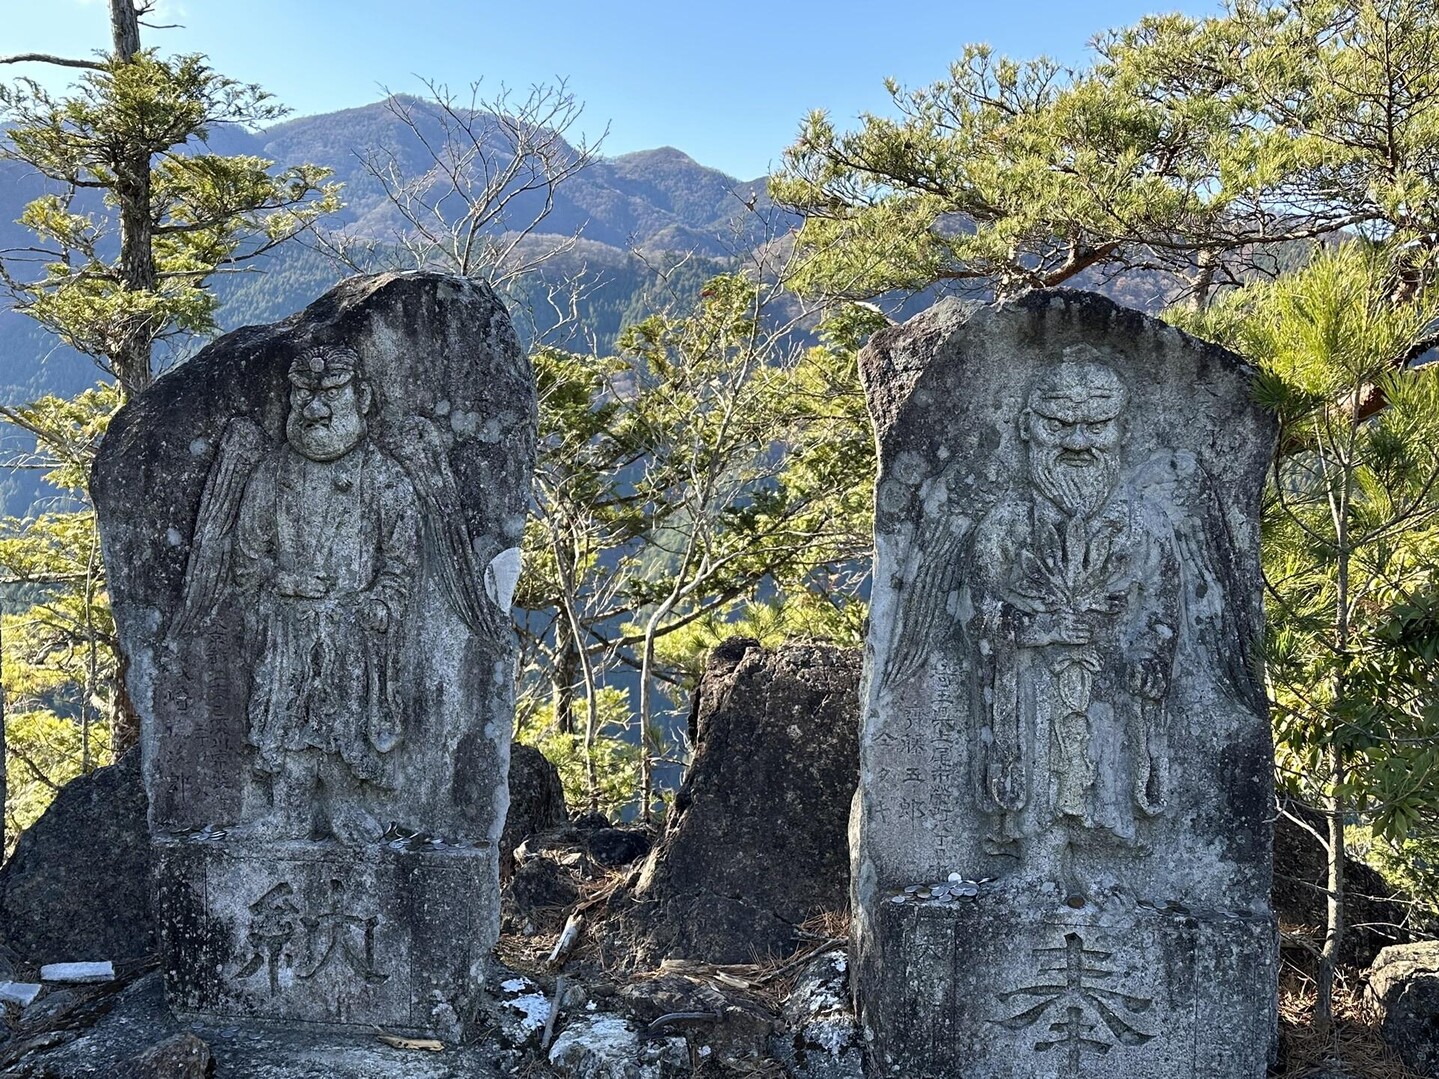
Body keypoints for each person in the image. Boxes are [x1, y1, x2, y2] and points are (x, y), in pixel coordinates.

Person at [964, 350, 1180, 864]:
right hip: (1030, 689)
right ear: (1026, 427)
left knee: (1108, 792)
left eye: (1096, 427)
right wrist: (1036, 626)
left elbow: (1164, 613)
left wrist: (1153, 658)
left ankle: (1108, 867)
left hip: (1112, 687)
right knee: (1037, 796)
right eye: (1059, 425)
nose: (1078, 442)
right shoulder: (1007, 523)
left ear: (1121, 431)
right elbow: (977, 610)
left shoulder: (1144, 525)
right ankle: (1033, 863)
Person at [229, 345, 420, 842]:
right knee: (287, 713)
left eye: (331, 395)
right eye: (302, 397)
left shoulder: (383, 476)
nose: (314, 410)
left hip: (353, 625)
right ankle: (288, 809)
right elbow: (247, 554)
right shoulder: (270, 474)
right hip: (287, 624)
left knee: (344, 716)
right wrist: (283, 581)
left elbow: (401, 560)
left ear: (363, 398)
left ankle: (344, 805)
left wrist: (381, 602)